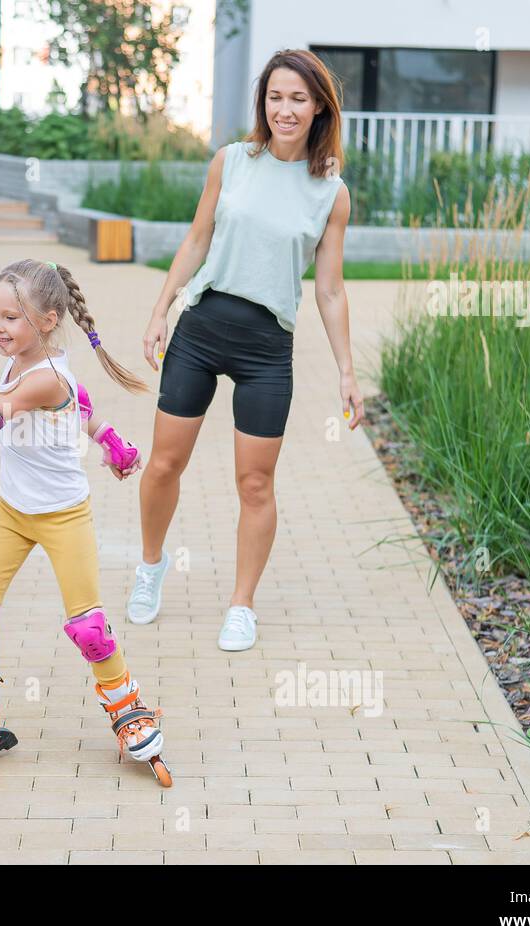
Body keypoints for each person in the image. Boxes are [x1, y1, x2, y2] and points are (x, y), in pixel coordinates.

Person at [129, 48, 365, 650]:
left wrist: (347, 370)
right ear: (264, 102)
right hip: (202, 328)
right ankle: (150, 565)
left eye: (299, 99)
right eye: (276, 97)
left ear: (319, 108)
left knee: (255, 484)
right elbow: (196, 238)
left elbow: (331, 290)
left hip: (266, 348)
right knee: (163, 464)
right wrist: (160, 310)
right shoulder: (231, 161)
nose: (285, 109)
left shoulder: (330, 192)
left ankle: (241, 605)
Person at [0, 258, 172, 786]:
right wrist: (111, 442)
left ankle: (128, 709)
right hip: (12, 512)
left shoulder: (45, 377)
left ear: (49, 320)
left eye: (11, 317)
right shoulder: (27, 364)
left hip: (62, 517)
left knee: (89, 629)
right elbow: (83, 409)